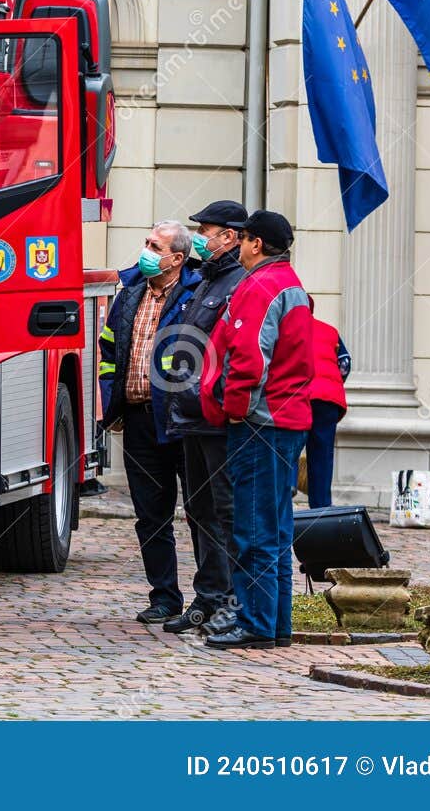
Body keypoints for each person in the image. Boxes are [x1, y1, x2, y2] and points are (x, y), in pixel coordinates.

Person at [199, 210, 315, 650]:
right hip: (283, 421)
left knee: (254, 529)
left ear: (257, 244)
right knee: (276, 528)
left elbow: (249, 358)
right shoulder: (289, 283)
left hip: (259, 424)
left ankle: (256, 623)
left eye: (244, 238)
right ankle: (275, 623)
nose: (240, 246)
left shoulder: (262, 286)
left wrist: (235, 409)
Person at [98, 220, 202, 625]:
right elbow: (109, 350)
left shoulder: (196, 294)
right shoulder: (130, 293)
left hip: (183, 422)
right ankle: (164, 597)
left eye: (155, 246)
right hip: (139, 419)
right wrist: (113, 400)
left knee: (200, 512)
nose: (146, 251)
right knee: (150, 515)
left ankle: (208, 598)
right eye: (147, 243)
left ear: (177, 259)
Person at [162, 199, 250, 637]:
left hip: (216, 416)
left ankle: (232, 602)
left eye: (206, 231)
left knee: (225, 510)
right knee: (199, 509)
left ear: (229, 237)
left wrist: (213, 397)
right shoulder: (207, 280)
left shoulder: (240, 282)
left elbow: (237, 351)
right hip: (192, 414)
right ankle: (208, 597)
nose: (200, 238)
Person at [305, 321, 351, 508]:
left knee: (290, 446)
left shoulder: (286, 326)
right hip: (328, 399)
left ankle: (289, 485)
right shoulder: (329, 331)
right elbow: (345, 363)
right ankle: (321, 506)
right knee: (322, 455)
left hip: (300, 395)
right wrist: (334, 382)